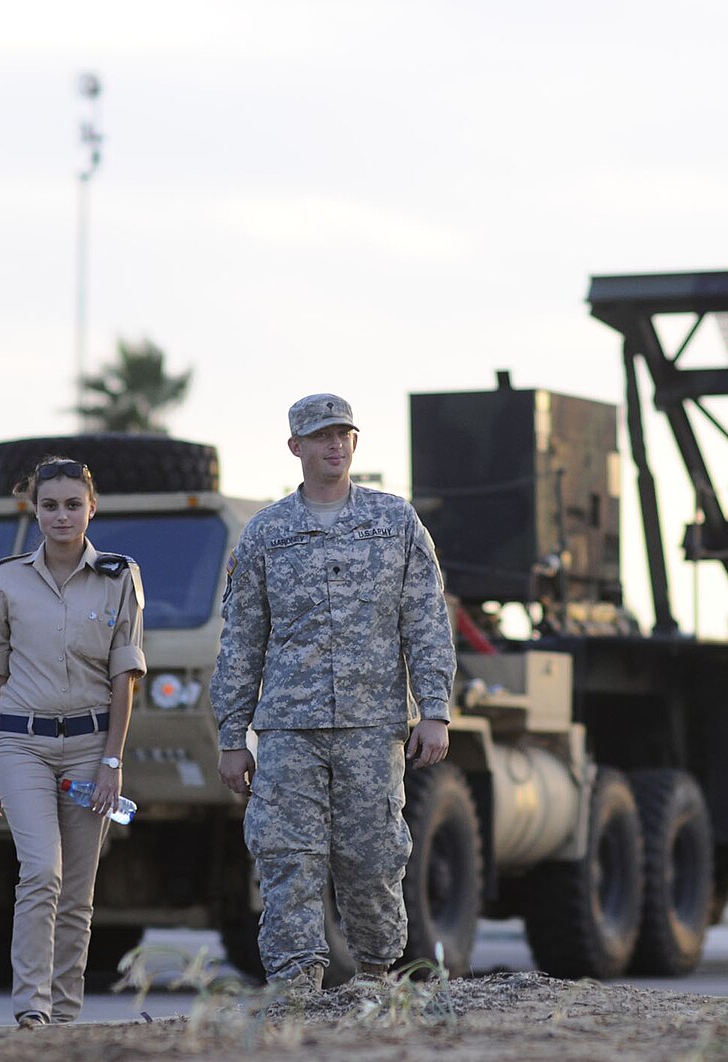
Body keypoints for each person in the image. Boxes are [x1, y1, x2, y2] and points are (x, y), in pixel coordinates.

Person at [211, 392, 456, 992]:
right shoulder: (267, 533)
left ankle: (374, 974)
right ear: (296, 447)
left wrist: (436, 711)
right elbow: (242, 642)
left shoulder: (394, 522)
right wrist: (230, 736)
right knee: (287, 856)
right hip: (289, 730)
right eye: (321, 435)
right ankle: (297, 982)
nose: (334, 444)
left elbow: (424, 620)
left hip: (373, 728)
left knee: (373, 858)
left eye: (343, 433)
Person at [0, 456, 146, 1028]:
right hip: (21, 743)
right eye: (50, 505)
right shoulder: (8, 576)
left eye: (74, 504)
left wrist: (112, 761)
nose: (62, 515)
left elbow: (126, 676)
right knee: (40, 870)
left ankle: (65, 1019)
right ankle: (31, 1008)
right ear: (35, 509)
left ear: (91, 508)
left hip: (91, 748)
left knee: (77, 890)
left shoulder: (121, 576)